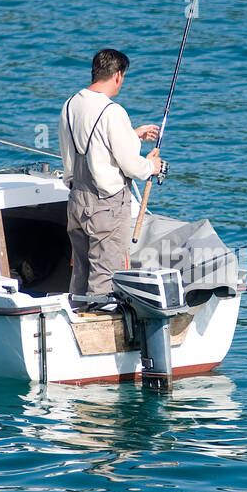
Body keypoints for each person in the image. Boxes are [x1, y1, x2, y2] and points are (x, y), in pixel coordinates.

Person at [58, 49, 161, 311]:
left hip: (77, 200)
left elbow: (87, 146)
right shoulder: (113, 112)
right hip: (107, 206)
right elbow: (132, 166)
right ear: (117, 75)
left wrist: (132, 135)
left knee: (81, 273)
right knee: (105, 276)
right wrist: (153, 166)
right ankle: (96, 332)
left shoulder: (70, 104)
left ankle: (78, 317)